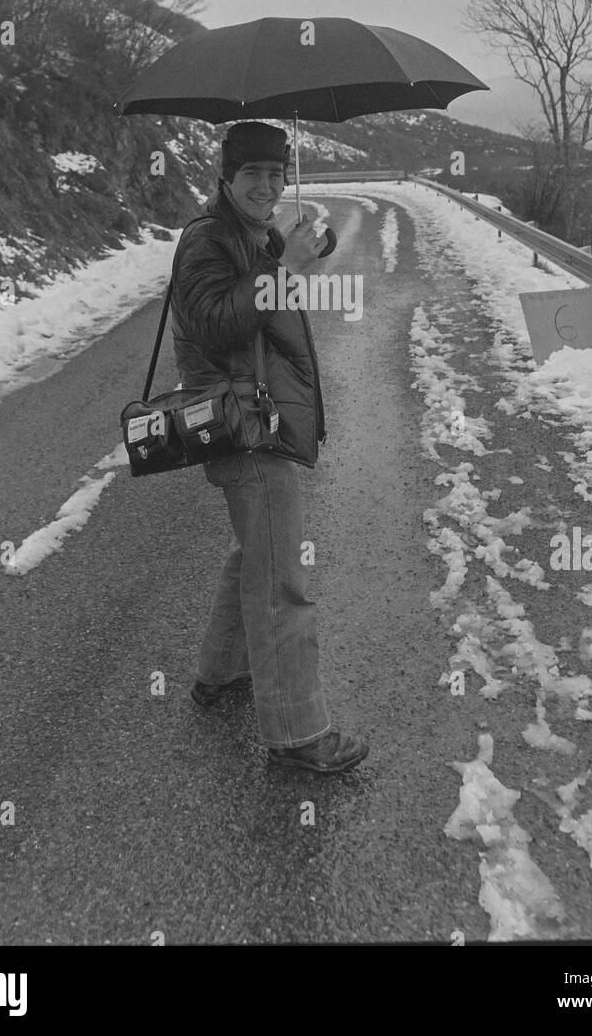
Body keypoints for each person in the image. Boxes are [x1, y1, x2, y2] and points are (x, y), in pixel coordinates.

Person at [169, 120, 368, 774]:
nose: (265, 184)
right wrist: (284, 268)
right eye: (252, 172)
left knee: (256, 548)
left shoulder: (255, 233)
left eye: (275, 173)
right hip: (241, 423)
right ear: (225, 176)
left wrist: (315, 244)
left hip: (263, 417)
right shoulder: (206, 240)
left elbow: (279, 269)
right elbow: (220, 321)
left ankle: (221, 670)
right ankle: (297, 732)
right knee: (282, 574)